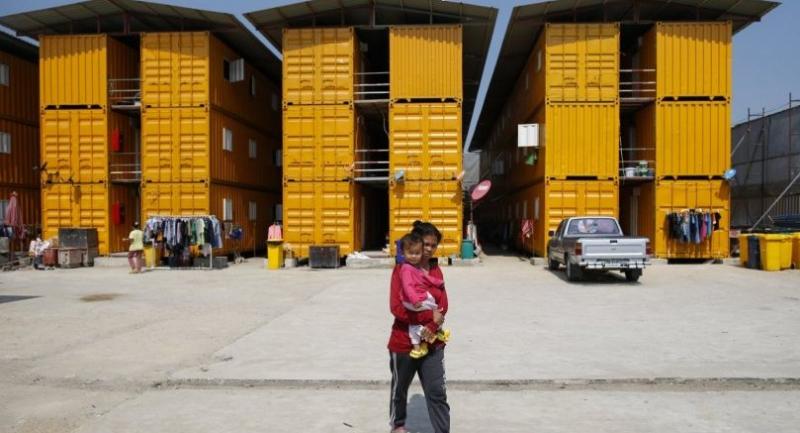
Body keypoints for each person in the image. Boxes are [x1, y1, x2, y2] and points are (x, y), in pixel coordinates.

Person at [388, 221, 450, 433]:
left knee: (437, 393)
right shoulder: (401, 270)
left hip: (433, 341)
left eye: (434, 245)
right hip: (404, 343)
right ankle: (398, 426)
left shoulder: (435, 269)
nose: (429, 249)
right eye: (426, 244)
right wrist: (426, 315)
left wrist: (432, 324)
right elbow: (397, 308)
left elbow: (444, 304)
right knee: (400, 390)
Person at [398, 233, 450, 359]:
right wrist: (415, 300)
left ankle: (419, 345)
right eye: (411, 254)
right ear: (404, 254)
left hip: (413, 299)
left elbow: (427, 279)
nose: (414, 257)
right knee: (434, 307)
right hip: (411, 300)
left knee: (416, 324)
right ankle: (437, 332)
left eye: (417, 254)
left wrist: (438, 282)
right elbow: (407, 286)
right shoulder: (406, 268)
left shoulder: (415, 268)